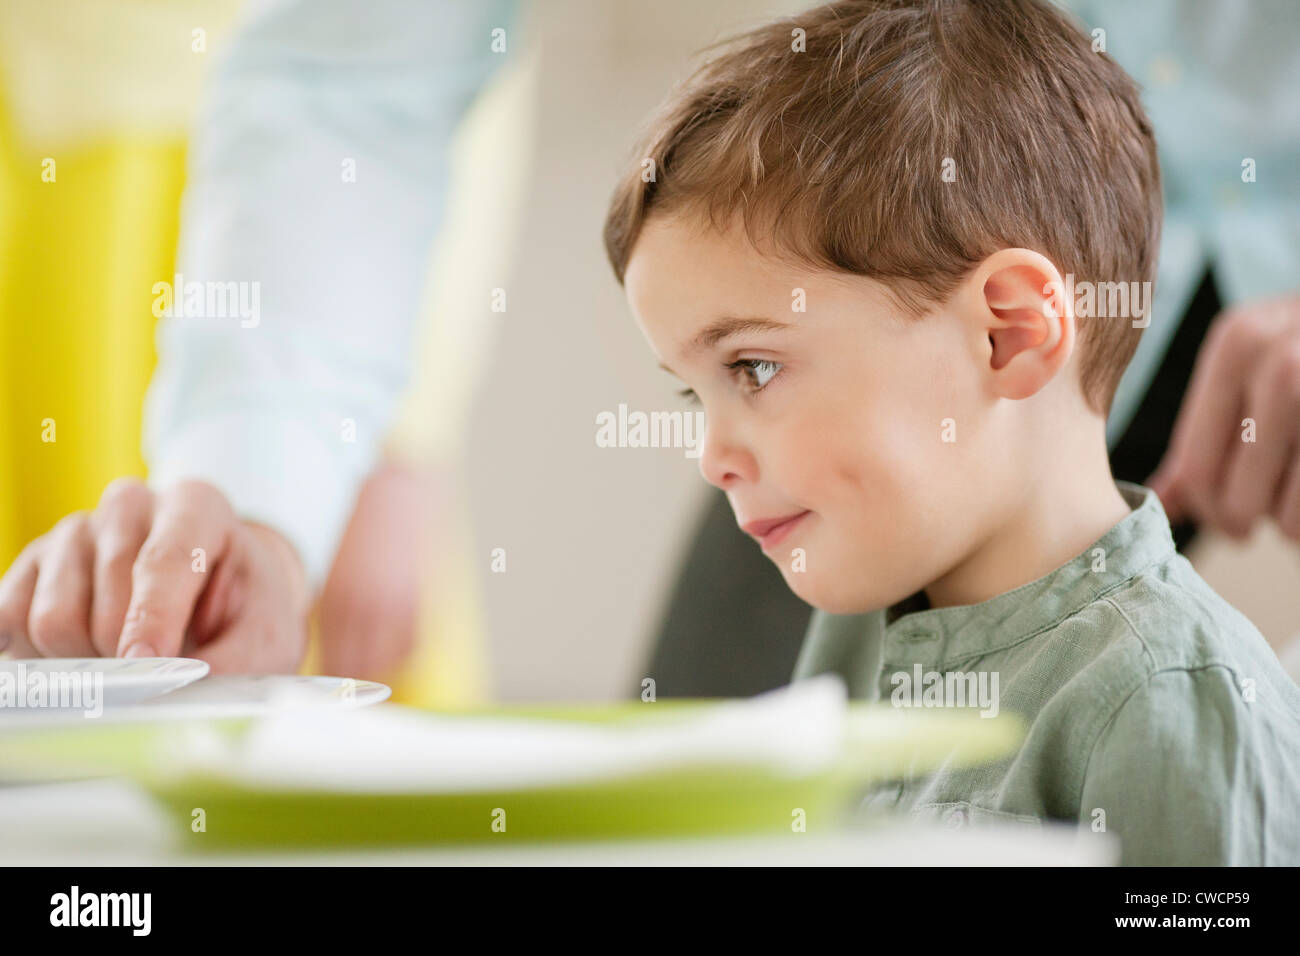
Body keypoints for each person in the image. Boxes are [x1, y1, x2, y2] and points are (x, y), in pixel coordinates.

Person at [603, 0, 1300, 863]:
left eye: (754, 368)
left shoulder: (1168, 701)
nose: (711, 459)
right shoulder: (856, 633)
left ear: (1006, 334)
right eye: (692, 397)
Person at [0, 0, 520, 688]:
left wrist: (390, 441)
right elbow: (353, 85)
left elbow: (379, 80)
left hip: (228, 221)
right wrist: (258, 504)